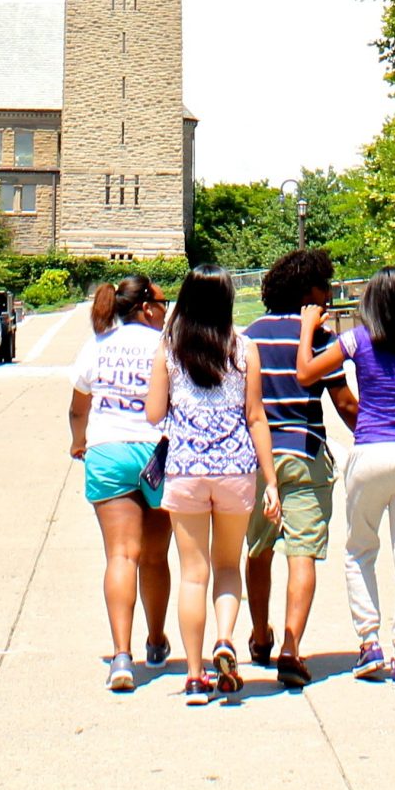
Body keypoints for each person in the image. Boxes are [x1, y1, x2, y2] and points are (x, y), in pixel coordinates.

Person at [297, 266, 395, 689]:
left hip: (370, 450)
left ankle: (369, 643)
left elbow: (306, 372)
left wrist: (308, 329)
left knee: (360, 550)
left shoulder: (357, 340)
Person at [146, 265, 282, 706]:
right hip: (235, 470)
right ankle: (225, 640)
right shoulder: (244, 349)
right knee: (227, 566)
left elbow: (152, 413)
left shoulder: (168, 349)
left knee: (193, 573)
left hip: (186, 469)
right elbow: (256, 416)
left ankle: (193, 675)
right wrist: (272, 481)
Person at [243, 247, 359, 689]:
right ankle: (291, 648)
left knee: (259, 548)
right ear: (308, 290)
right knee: (302, 551)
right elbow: (345, 403)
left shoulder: (249, 335)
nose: (329, 294)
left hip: (259, 460)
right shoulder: (320, 339)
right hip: (306, 453)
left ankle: (258, 635)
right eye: (325, 285)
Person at [67, 274, 173, 691]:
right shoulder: (163, 347)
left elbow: (79, 407)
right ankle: (156, 640)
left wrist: (79, 442)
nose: (166, 311)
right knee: (155, 557)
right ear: (146, 307)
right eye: (163, 303)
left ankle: (122, 655)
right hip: (155, 453)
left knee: (120, 556)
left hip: (108, 451)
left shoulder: (96, 346)